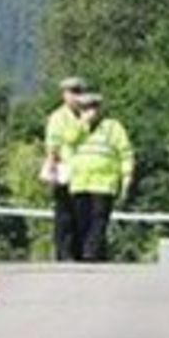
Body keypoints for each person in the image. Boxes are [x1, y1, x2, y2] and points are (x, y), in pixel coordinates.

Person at [68, 93, 134, 262]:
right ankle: (86, 251)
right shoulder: (74, 127)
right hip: (79, 182)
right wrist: (82, 126)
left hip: (104, 183)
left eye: (93, 108)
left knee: (99, 219)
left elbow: (125, 153)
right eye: (85, 109)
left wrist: (126, 177)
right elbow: (66, 145)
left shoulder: (112, 127)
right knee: (81, 221)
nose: (90, 112)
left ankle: (91, 253)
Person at [43, 76, 87, 261]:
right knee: (65, 215)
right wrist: (52, 166)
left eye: (78, 93)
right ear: (64, 95)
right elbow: (53, 144)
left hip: (84, 173)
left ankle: (79, 251)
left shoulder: (86, 116)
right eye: (72, 93)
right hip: (65, 171)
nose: (75, 97)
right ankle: (64, 253)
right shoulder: (58, 117)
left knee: (82, 214)